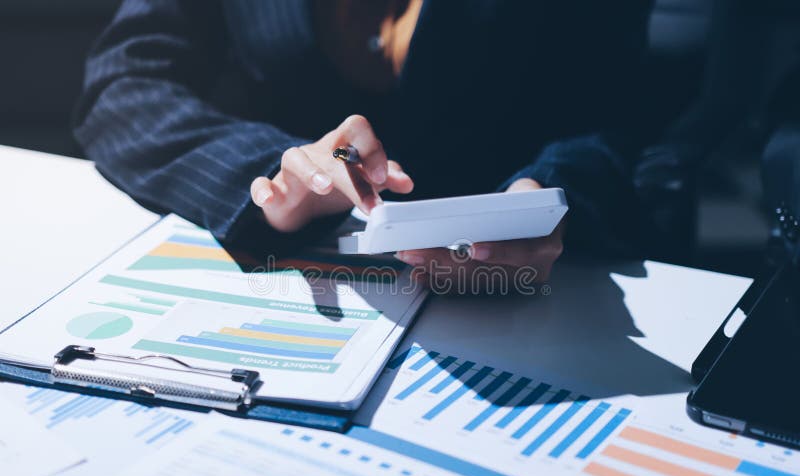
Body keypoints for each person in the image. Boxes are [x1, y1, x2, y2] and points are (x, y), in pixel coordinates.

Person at [74, 0, 654, 291]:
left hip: (532, 292)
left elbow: (621, 117)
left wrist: (543, 198)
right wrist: (281, 178)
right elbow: (124, 88)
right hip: (305, 287)